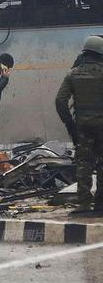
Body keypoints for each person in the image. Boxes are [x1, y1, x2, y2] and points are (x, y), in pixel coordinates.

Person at [56, 35, 103, 214]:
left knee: (84, 163)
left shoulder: (73, 74)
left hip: (82, 126)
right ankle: (101, 203)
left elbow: (60, 101)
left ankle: (83, 203)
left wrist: (70, 124)